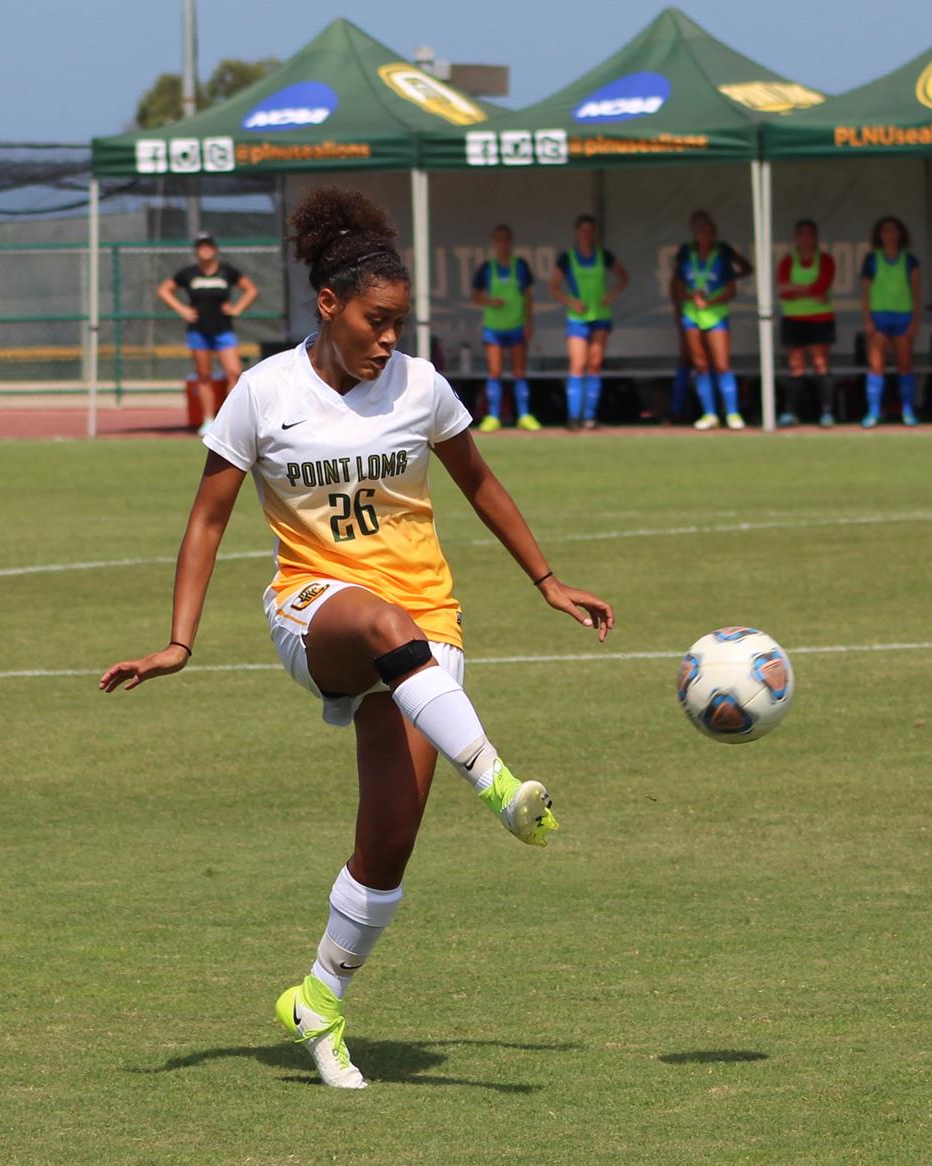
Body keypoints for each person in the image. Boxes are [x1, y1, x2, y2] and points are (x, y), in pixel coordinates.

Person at [98, 187, 614, 1091]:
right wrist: (178, 641)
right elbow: (208, 520)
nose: (388, 338)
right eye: (375, 320)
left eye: (399, 322)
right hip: (316, 611)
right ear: (329, 305)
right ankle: (496, 782)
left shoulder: (421, 386)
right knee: (379, 618)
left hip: (429, 628)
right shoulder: (264, 394)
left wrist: (547, 580)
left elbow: (481, 484)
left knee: (388, 841)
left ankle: (318, 1000)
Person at [158, 233, 260, 436]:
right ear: (196, 251)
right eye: (201, 247)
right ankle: (208, 420)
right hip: (199, 331)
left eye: (209, 246)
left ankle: (231, 419)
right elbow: (164, 290)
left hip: (223, 329)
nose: (205, 250)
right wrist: (182, 310)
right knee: (204, 376)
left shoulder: (226, 271)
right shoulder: (189, 273)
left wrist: (237, 308)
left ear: (214, 249)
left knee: (234, 372)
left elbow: (250, 290)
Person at [670, 210, 753, 430]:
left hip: (716, 314)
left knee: (722, 363)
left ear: (714, 233)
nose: (704, 234)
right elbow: (677, 285)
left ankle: (733, 412)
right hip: (692, 313)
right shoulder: (686, 254)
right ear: (694, 233)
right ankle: (710, 413)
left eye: (708, 230)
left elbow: (732, 287)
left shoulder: (722, 254)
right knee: (700, 364)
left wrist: (711, 300)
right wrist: (691, 298)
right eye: (700, 230)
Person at [551, 214, 629, 430]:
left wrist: (610, 296)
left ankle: (590, 418)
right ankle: (573, 418)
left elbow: (623, 277)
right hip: (578, 318)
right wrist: (571, 302)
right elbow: (554, 287)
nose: (587, 234)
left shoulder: (603, 256)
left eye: (590, 230)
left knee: (594, 364)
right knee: (577, 364)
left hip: (600, 317)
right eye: (583, 230)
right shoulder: (567, 258)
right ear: (577, 233)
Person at [469, 224, 540, 432]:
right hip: (494, 327)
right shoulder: (486, 268)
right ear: (494, 242)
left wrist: (529, 322)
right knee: (495, 371)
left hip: (516, 325)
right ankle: (493, 416)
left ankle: (524, 415)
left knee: (519, 371)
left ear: (511, 241)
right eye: (498, 239)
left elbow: (528, 296)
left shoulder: (520, 266)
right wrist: (490, 302)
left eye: (506, 239)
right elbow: (475, 295)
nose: (503, 243)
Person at [860, 215, 922, 428]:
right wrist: (867, 319)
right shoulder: (871, 260)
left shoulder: (910, 260)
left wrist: (915, 321)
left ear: (900, 234)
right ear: (879, 235)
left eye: (894, 230)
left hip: (903, 317)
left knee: (904, 365)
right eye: (885, 230)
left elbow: (916, 293)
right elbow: (865, 292)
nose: (889, 234)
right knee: (876, 365)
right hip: (879, 318)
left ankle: (907, 410)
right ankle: (873, 411)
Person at [776, 218, 837, 428]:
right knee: (796, 365)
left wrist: (797, 289)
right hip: (794, 319)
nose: (806, 237)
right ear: (795, 237)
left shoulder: (826, 260)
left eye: (810, 233)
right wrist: (810, 292)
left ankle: (827, 412)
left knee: (820, 363)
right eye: (802, 233)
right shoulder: (787, 260)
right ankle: (791, 412)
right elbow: (783, 290)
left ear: (816, 237)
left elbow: (823, 286)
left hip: (820, 318)